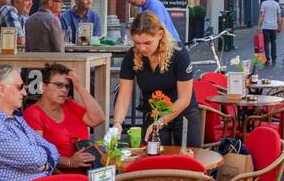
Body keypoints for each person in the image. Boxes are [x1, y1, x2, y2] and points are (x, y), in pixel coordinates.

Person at [113, 11, 195, 145]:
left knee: (188, 156)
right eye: (137, 43)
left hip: (182, 111)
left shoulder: (179, 53)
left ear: (160, 35)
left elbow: (185, 99)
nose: (142, 48)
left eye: (147, 43)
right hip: (153, 112)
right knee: (153, 156)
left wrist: (160, 122)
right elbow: (123, 96)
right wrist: (117, 123)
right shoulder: (132, 56)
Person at [24, 63, 105, 158]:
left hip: (88, 168)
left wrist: (79, 87)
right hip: (60, 171)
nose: (64, 90)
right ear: (43, 86)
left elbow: (98, 119)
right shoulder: (33, 114)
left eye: (67, 86)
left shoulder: (70, 105)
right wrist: (70, 162)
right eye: (59, 85)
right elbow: (37, 155)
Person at [259, 0, 281, 65]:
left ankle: (267, 59)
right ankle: (274, 59)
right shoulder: (277, 4)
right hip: (273, 26)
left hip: (266, 26)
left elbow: (262, 16)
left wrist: (259, 26)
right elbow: (278, 16)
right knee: (273, 42)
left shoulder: (264, 4)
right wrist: (279, 26)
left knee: (266, 43)